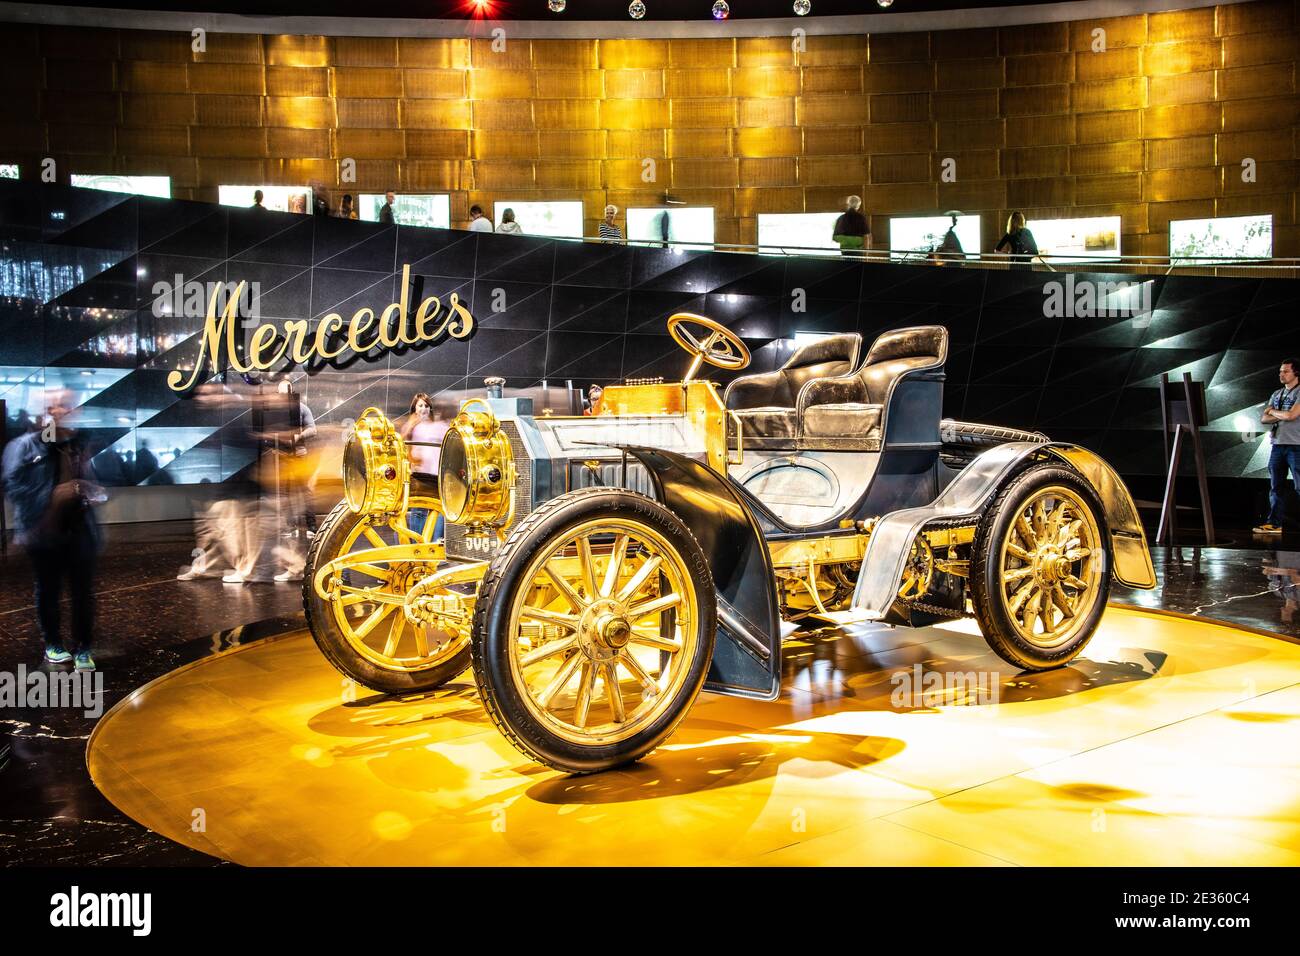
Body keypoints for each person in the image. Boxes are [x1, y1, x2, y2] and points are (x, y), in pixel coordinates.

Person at [1, 389, 103, 671]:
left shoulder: (77, 447)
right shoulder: (23, 447)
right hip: (43, 533)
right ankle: (53, 644)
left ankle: (84, 647)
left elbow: (91, 482)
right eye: (52, 407)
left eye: (65, 407)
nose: (58, 412)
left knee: (83, 592)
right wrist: (53, 495)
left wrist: (91, 491)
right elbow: (13, 486)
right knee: (48, 590)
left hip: (80, 531)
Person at [1254, 358, 1300, 535]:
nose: (1281, 374)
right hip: (1278, 445)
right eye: (1280, 371)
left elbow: (1291, 415)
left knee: (1299, 486)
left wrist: (1273, 411)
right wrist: (1278, 414)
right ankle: (1274, 523)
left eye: (1285, 371)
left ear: (1296, 373)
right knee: (1276, 486)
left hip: (1296, 444)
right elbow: (1263, 419)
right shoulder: (1277, 393)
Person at [400, 393, 448, 540]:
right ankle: (417, 544)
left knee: (440, 509)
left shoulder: (439, 427)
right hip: (420, 475)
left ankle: (434, 543)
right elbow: (403, 444)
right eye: (420, 405)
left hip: (437, 474)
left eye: (426, 406)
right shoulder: (411, 427)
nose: (424, 409)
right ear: (415, 408)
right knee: (419, 510)